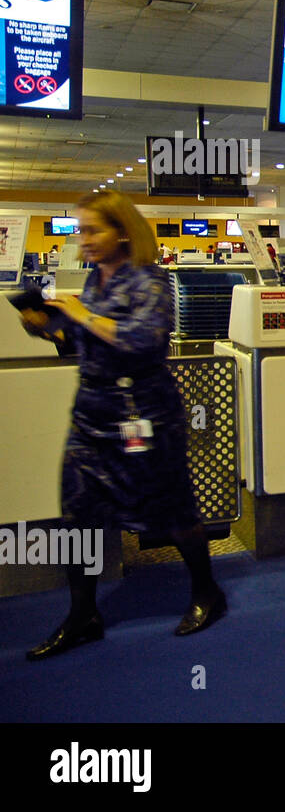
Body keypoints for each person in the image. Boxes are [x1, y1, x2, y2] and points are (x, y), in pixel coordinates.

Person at [18, 191, 223, 660]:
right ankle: (82, 614)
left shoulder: (152, 281)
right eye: (81, 229)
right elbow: (86, 340)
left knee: (172, 507)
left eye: (94, 230)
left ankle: (206, 591)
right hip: (92, 412)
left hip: (144, 411)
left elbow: (142, 340)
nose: (83, 240)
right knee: (78, 512)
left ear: (123, 232)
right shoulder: (94, 281)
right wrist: (51, 327)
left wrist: (80, 314)